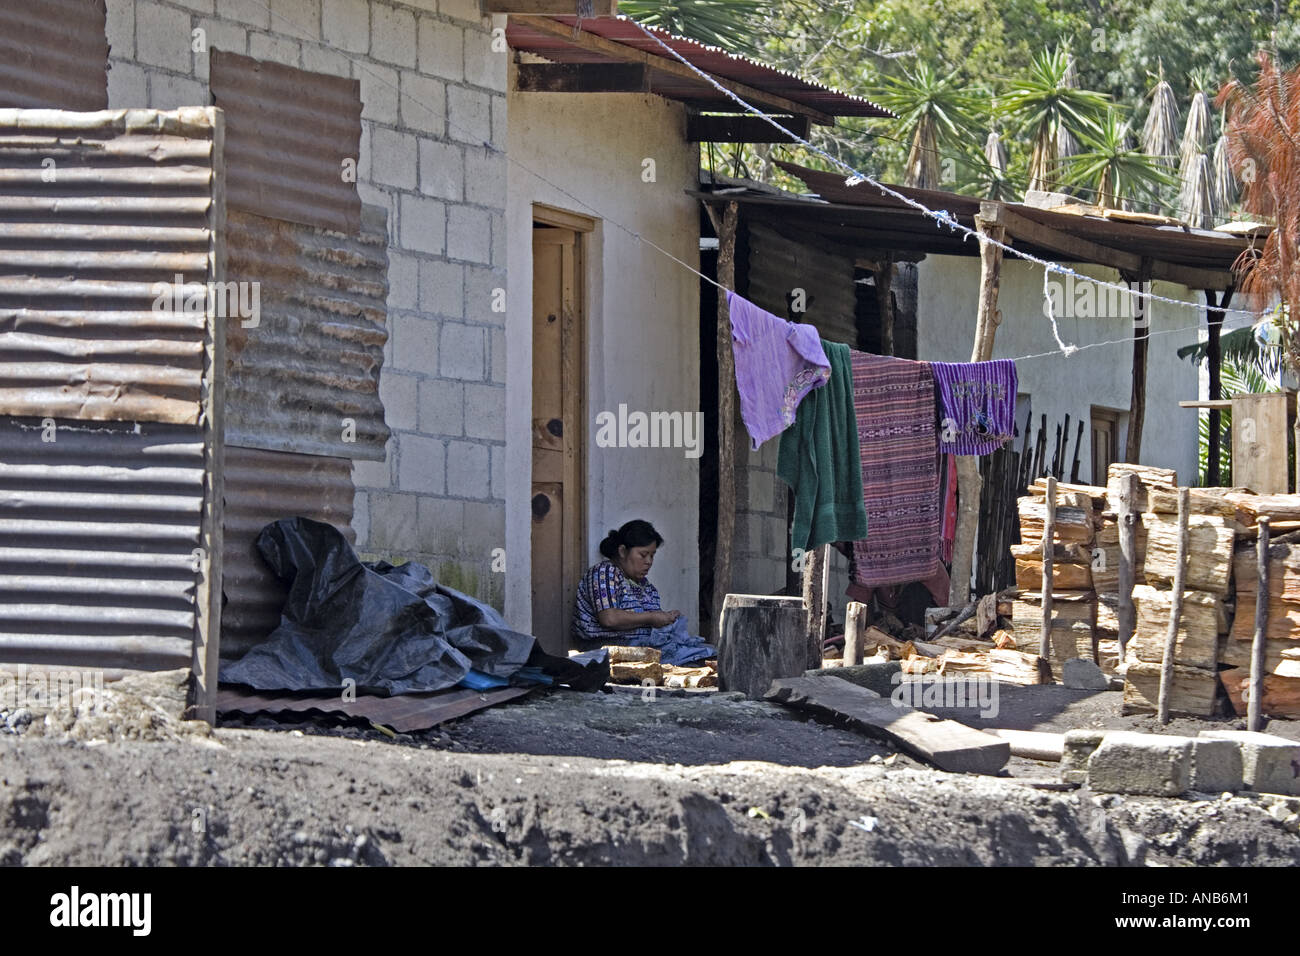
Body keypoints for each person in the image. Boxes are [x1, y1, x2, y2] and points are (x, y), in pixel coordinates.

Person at [573, 519, 715, 667]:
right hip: (608, 650)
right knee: (701, 660)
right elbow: (609, 618)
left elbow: (650, 622)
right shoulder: (605, 572)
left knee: (712, 653)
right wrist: (651, 617)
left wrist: (666, 618)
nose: (649, 561)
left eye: (652, 555)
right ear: (622, 551)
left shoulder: (646, 586)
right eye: (643, 555)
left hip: (643, 647)